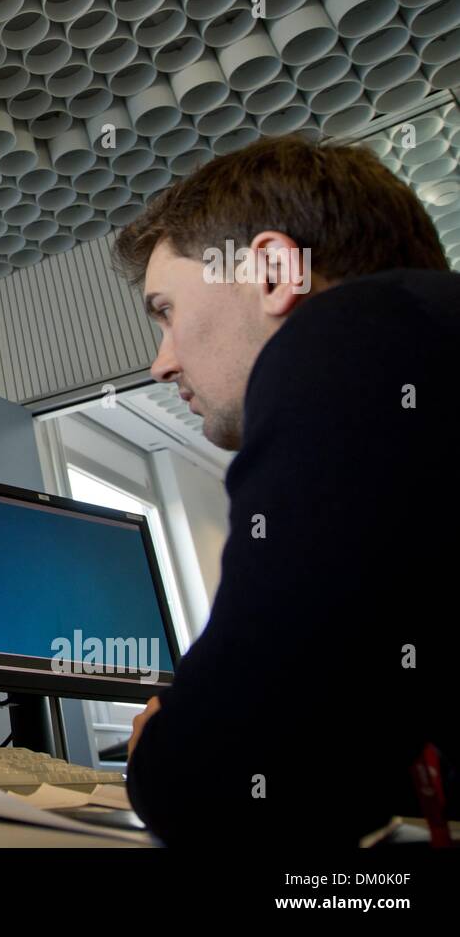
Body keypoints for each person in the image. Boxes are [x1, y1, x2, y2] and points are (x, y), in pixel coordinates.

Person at [111, 133, 458, 846]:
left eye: (166, 310)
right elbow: (347, 757)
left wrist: (155, 748)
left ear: (272, 270)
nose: (159, 363)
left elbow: (233, 782)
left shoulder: (353, 334)